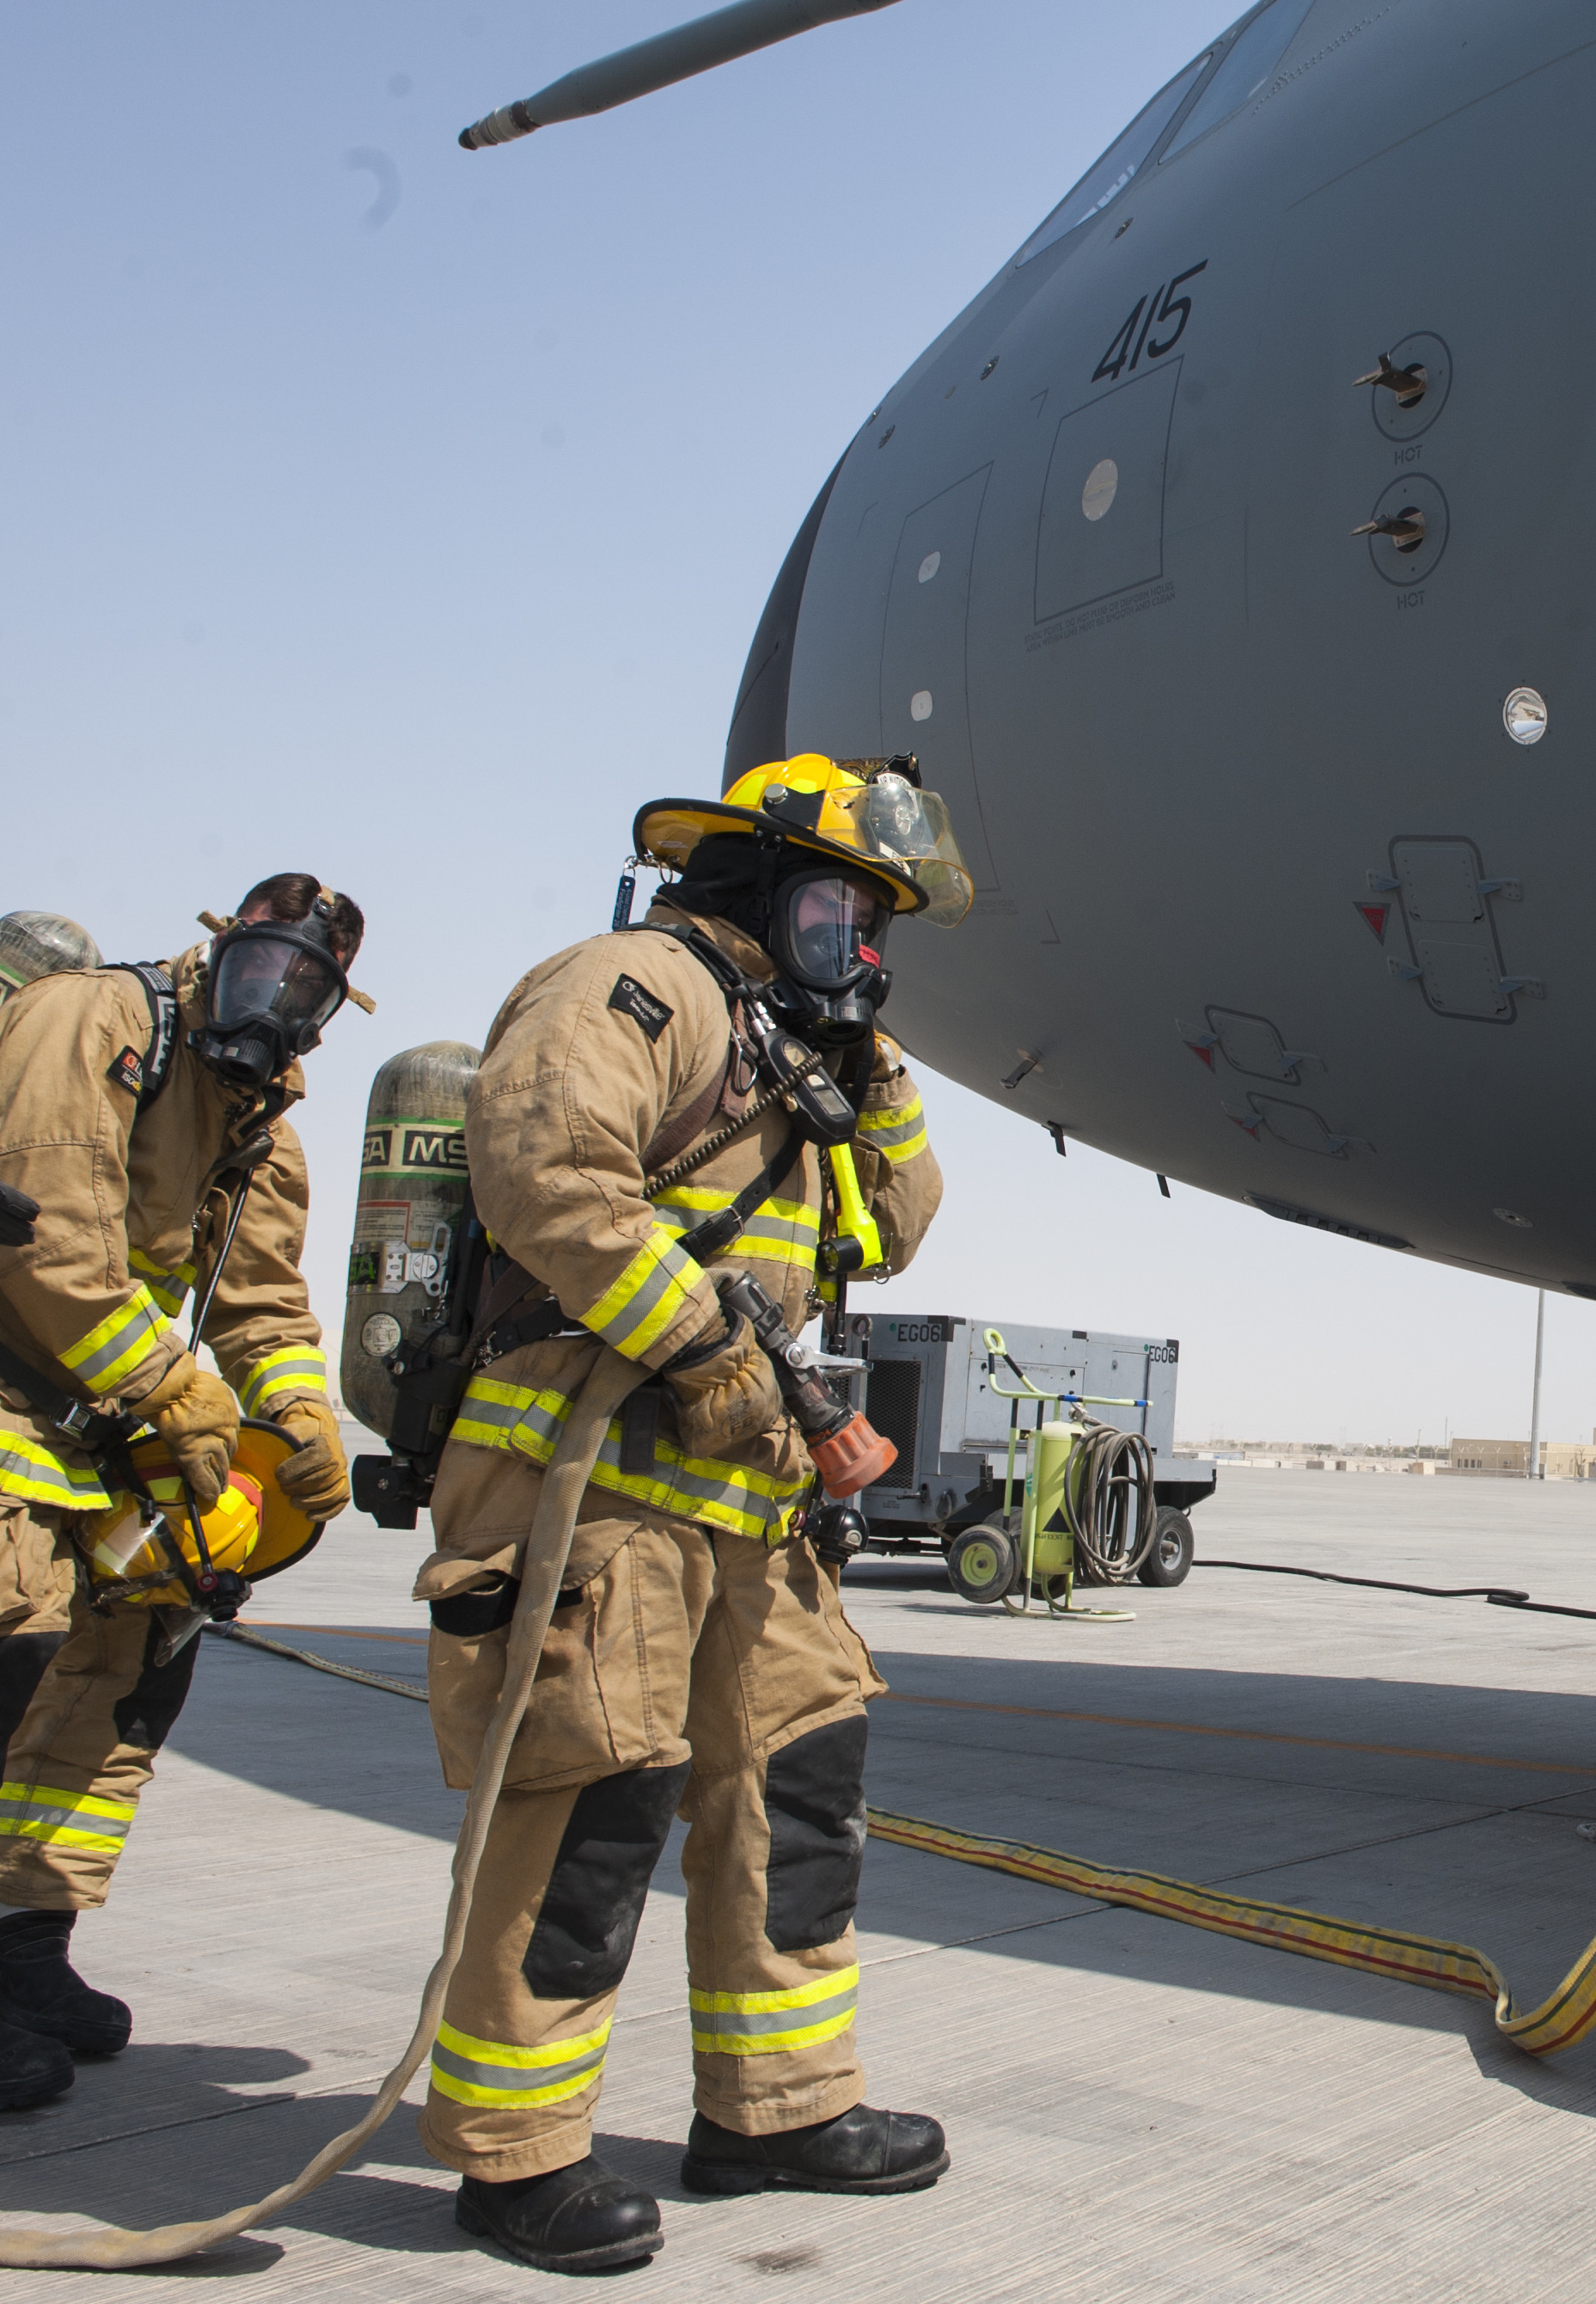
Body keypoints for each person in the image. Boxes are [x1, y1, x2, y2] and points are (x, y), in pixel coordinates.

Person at [415, 754, 966, 2275]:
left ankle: (776, 2110)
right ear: (757, 884)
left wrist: (872, 1055)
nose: (862, 945)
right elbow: (548, 1173)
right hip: (589, 1485)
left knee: (800, 1785)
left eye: (877, 927)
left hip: (749, 1509)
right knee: (591, 1806)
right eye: (842, 912)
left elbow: (894, 1230)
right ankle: (517, 2152)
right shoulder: (639, 986)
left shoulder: (804, 1051)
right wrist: (708, 1350)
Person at [0, 875, 365, 2111]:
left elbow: (260, 1300)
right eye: (267, 971)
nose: (279, 1008)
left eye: (310, 993)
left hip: (104, 1427)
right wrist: (171, 1388)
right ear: (218, 952)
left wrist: (297, 1414)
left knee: (126, 1676)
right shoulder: (94, 1019)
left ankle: (21, 1950)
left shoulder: (258, 1117)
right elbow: (47, 1235)